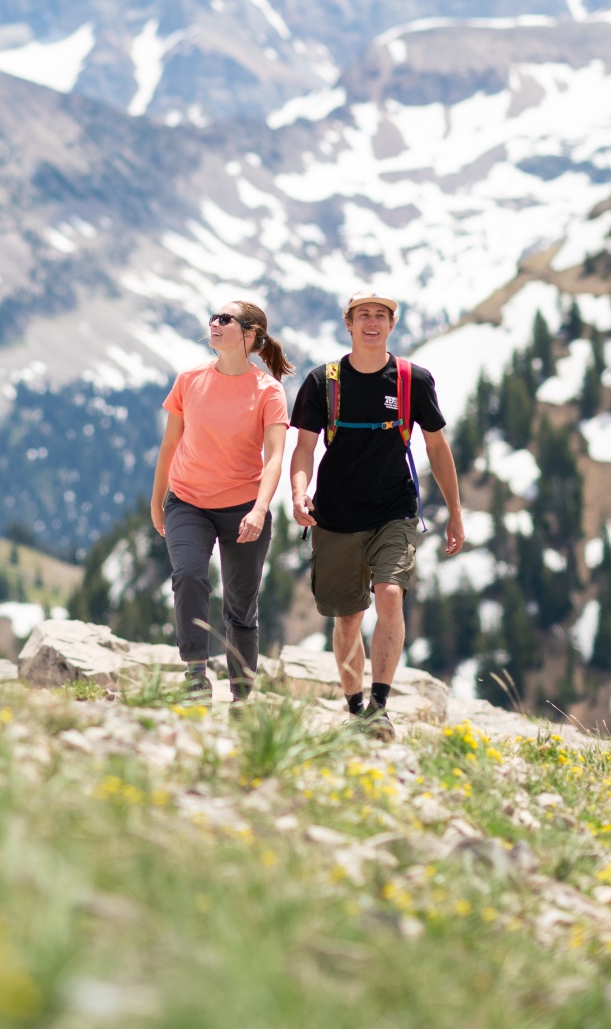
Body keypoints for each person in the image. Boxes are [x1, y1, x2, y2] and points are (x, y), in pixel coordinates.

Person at [288, 293, 464, 741]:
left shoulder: (412, 381)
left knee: (389, 594)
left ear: (392, 324)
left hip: (395, 511)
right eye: (363, 315)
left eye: (380, 316)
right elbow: (304, 447)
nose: (372, 322)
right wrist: (298, 492)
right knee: (347, 619)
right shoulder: (321, 382)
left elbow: (438, 448)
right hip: (336, 515)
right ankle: (355, 709)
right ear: (348, 323)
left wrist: (456, 514)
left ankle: (380, 706)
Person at [150, 300, 292, 703]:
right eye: (213, 316)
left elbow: (275, 456)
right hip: (188, 501)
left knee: (240, 609)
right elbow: (170, 443)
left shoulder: (268, 390)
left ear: (249, 335)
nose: (214, 323)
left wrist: (260, 509)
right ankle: (196, 675)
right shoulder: (189, 380)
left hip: (244, 507)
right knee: (190, 575)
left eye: (225, 319)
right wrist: (157, 499)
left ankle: (242, 697)